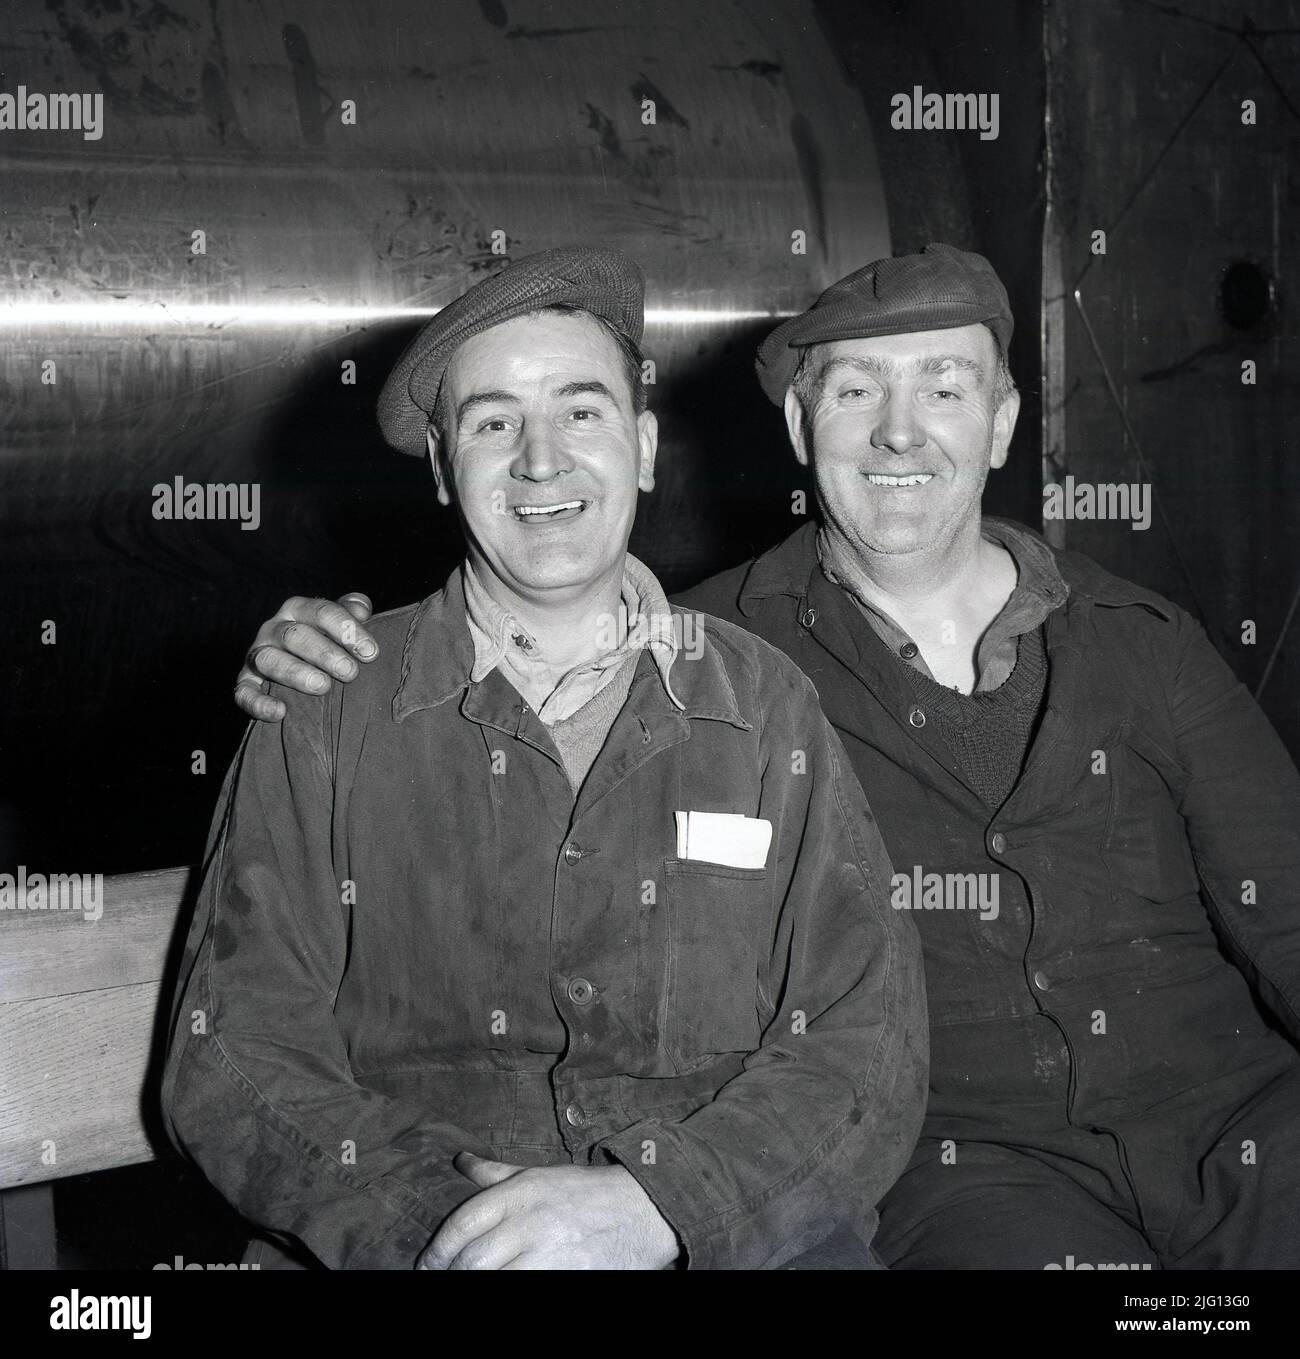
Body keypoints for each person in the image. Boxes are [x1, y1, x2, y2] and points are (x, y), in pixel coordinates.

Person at [240, 242, 1300, 1269]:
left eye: (942, 389)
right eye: (852, 395)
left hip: (1237, 1125)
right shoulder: (718, 668)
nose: (898, 435)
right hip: (969, 1175)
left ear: (1001, 425)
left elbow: (1287, 905)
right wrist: (316, 660)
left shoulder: (1141, 639)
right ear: (798, 425)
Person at [161, 246, 927, 1272]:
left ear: (643, 448)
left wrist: (663, 1206)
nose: (540, 461)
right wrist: (452, 1237)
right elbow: (235, 1059)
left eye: (580, 411)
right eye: (491, 423)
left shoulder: (765, 706)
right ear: (442, 470)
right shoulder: (326, 709)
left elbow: (863, 1045)